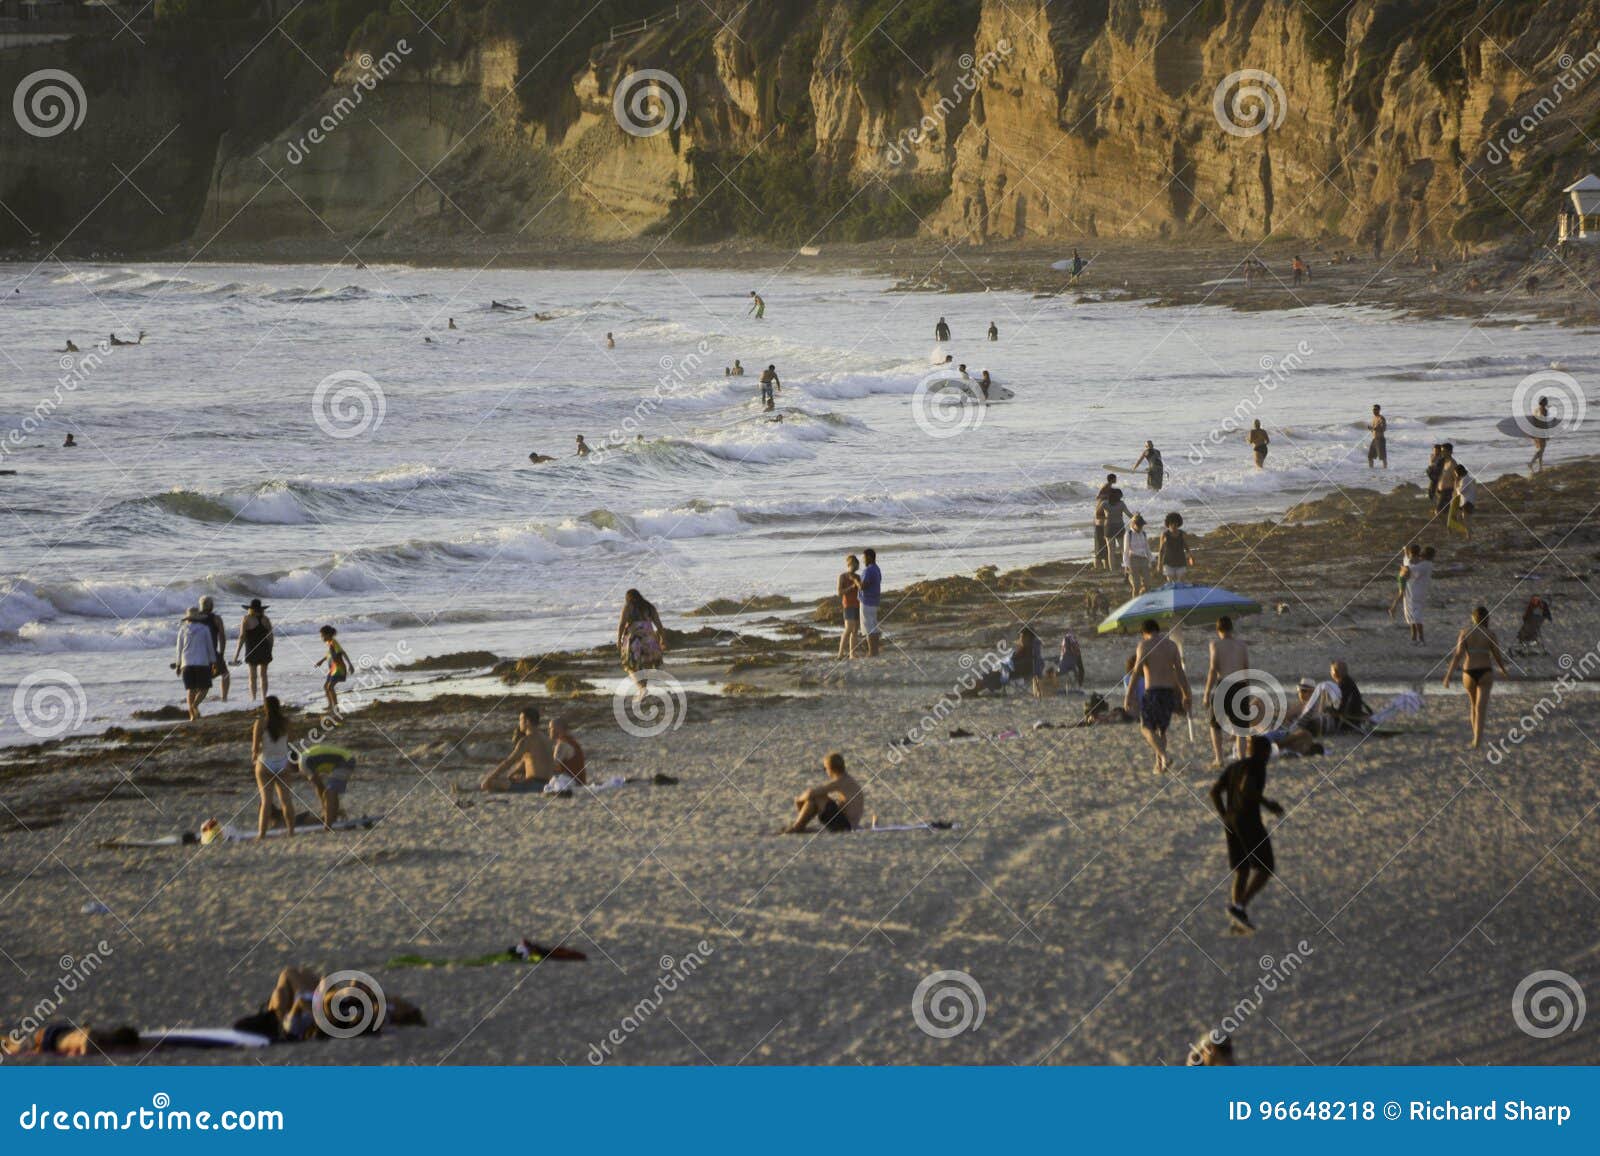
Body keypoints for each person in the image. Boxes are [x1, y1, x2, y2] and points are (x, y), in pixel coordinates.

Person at [1210, 736, 1283, 932]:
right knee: (1266, 867)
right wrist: (1269, 804)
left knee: (1242, 870)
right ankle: (1239, 907)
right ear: (1263, 752)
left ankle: (1237, 921)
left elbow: (1214, 792)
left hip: (1231, 822)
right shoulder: (1257, 766)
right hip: (1248, 821)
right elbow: (1247, 788)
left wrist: (1225, 815)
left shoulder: (1235, 766)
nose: (1268, 757)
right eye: (1268, 752)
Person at [1124, 619, 1191, 775]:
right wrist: (1186, 693)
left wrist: (1129, 695)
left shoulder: (1145, 645)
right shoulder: (1171, 646)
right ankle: (1159, 766)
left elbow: (1135, 672)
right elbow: (1180, 672)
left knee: (1146, 728)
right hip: (1168, 693)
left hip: (1153, 692)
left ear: (1144, 633)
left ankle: (1164, 757)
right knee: (1161, 731)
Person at [1443, 606, 1509, 749]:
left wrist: (1448, 676)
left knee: (1473, 706)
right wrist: (1503, 669)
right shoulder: (1490, 634)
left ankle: (1475, 737)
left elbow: (1458, 655)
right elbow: (1497, 655)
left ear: (1473, 618)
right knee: (1481, 708)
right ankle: (1477, 740)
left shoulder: (1464, 633)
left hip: (1468, 672)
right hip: (1485, 671)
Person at [1204, 616, 1250, 767]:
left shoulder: (1215, 645)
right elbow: (1246, 669)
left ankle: (1219, 758)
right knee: (1241, 728)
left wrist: (1206, 693)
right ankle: (1241, 759)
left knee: (1215, 725)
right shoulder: (1242, 645)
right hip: (1240, 685)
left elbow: (1212, 669)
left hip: (1223, 684)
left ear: (1218, 630)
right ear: (1232, 629)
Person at [480, 706, 560, 791]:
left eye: (521, 720)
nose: (520, 723)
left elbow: (509, 762)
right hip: (548, 783)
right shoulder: (546, 739)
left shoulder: (527, 740)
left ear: (527, 721)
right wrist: (511, 776)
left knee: (493, 783)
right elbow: (531, 763)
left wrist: (490, 778)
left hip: (534, 785)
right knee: (511, 780)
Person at [785, 751, 864, 833]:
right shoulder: (848, 780)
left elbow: (811, 793)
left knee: (818, 797)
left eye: (825, 768)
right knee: (817, 799)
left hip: (846, 826)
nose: (826, 771)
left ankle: (797, 826)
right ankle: (799, 826)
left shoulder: (840, 781)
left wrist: (798, 800)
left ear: (831, 769)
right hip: (850, 824)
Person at [252, 696, 296, 839]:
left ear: (265, 708)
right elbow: (289, 741)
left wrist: (255, 756)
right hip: (283, 763)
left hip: (265, 763)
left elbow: (254, 749)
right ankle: (291, 832)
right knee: (286, 800)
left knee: (266, 801)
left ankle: (261, 834)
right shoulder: (286, 722)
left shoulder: (260, 723)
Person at [618, 588, 667, 693]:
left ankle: (642, 688)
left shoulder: (628, 607)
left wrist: (619, 640)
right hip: (649, 639)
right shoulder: (649, 607)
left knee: (631, 666)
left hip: (634, 639)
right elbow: (659, 625)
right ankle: (643, 688)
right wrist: (662, 639)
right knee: (647, 664)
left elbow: (622, 624)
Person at [299, 742, 354, 826]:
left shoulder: (303, 764)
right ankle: (333, 816)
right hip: (346, 759)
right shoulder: (305, 756)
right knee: (330, 792)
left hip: (344, 761)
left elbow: (318, 786)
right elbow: (320, 787)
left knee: (330, 792)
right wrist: (327, 807)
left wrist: (325, 808)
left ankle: (328, 824)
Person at [175, 606, 215, 721]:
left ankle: (191, 714)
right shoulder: (204, 629)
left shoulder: (182, 630)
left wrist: (178, 664)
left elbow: (179, 648)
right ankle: (195, 705)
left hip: (186, 663)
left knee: (190, 689)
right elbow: (210, 646)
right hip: (202, 662)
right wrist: (213, 661)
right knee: (205, 687)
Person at [233, 598, 273, 701]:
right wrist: (270, 650)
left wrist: (236, 655)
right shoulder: (266, 619)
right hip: (264, 649)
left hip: (252, 649)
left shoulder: (246, 619)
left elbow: (242, 637)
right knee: (264, 675)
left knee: (252, 676)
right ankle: (264, 698)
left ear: (250, 609)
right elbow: (271, 637)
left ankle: (253, 699)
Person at [196, 595, 230, 703]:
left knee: (201, 677)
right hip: (212, 652)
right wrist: (222, 653)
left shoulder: (195, 619)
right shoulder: (216, 618)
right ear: (211, 606)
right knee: (225, 673)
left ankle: (196, 698)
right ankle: (224, 698)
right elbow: (222, 636)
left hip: (198, 653)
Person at [315, 625, 352, 713]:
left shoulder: (334, 643)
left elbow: (343, 652)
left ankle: (335, 708)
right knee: (326, 687)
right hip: (333, 669)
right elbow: (329, 654)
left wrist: (350, 664)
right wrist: (321, 661)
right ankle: (330, 705)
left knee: (330, 687)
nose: (321, 638)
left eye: (322, 635)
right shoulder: (329, 643)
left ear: (327, 635)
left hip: (339, 668)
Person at [1400, 545, 1432, 644]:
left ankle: (1421, 639)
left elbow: (1409, 568)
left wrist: (1403, 568)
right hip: (1412, 592)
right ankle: (1414, 637)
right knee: (1411, 616)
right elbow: (1408, 563)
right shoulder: (1422, 563)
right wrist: (1406, 552)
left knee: (1417, 617)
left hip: (1418, 593)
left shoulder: (1425, 565)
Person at [837, 553, 863, 660]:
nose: (856, 567)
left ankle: (852, 653)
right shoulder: (842, 576)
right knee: (848, 628)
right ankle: (840, 653)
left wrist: (856, 582)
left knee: (855, 630)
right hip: (848, 605)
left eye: (857, 565)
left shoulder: (858, 577)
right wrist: (851, 587)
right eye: (855, 565)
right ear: (850, 564)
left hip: (858, 604)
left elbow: (861, 588)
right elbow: (839, 592)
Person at [1099, 487, 1131, 571]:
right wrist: (1136, 517)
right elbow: (1129, 514)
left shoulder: (1104, 503)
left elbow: (1098, 514)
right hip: (1119, 527)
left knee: (1111, 550)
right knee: (1122, 549)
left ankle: (1112, 569)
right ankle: (1126, 567)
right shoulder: (1121, 504)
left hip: (1109, 527)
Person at [859, 548, 883, 656]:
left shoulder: (868, 570)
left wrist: (854, 580)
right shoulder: (877, 569)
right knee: (873, 625)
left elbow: (863, 586)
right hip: (874, 600)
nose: (863, 560)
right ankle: (875, 651)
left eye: (863, 558)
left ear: (868, 557)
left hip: (867, 601)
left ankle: (871, 651)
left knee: (869, 627)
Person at [549, 717, 587, 785]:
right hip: (580, 782)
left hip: (569, 783)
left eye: (550, 728)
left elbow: (554, 766)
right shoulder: (572, 742)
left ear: (557, 729)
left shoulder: (562, 744)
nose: (549, 731)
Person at [1158, 512, 1192, 582]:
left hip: (1181, 562)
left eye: (1176, 524)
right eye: (1172, 524)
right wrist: (1159, 564)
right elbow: (1161, 550)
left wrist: (1190, 557)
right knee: (1171, 583)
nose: (1174, 526)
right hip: (1168, 563)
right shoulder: (1164, 535)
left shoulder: (1182, 534)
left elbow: (1186, 547)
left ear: (1178, 524)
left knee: (1181, 583)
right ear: (1168, 524)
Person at [1123, 513, 1152, 595]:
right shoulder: (1129, 534)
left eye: (1141, 525)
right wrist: (1127, 565)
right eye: (1138, 525)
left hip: (1143, 559)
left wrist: (1150, 560)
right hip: (1133, 560)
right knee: (1136, 586)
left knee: (1148, 584)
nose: (1140, 527)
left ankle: (1145, 601)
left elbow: (1147, 548)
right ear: (1133, 524)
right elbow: (1126, 550)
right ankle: (1135, 602)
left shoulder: (1143, 533)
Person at [1388, 544, 1418, 620]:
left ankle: (1395, 609)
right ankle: (1392, 609)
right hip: (1403, 578)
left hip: (1400, 576)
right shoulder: (1412, 560)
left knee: (1403, 594)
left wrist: (1405, 548)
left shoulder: (1407, 558)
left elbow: (1405, 553)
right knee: (1401, 594)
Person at [1449, 465, 1477, 538]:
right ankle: (1469, 532)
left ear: (1459, 472)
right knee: (1463, 518)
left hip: (1467, 501)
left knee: (1466, 519)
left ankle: (1469, 534)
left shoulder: (1464, 479)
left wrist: (1456, 483)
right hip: (1469, 500)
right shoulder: (1469, 478)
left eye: (1456, 473)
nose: (1456, 475)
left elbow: (1461, 491)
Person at [1529, 394, 1551, 472]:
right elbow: (1545, 423)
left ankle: (1540, 466)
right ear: (1543, 402)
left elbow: (1533, 421)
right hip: (1541, 431)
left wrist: (1531, 432)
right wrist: (1547, 433)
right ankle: (1531, 463)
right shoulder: (1544, 410)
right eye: (1546, 401)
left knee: (1540, 449)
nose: (1547, 402)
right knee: (1541, 449)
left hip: (1535, 431)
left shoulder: (1536, 410)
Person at [1434, 443, 1457, 514]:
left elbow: (1456, 479)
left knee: (1439, 512)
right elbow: (1442, 477)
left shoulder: (1452, 464)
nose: (1442, 453)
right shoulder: (1444, 462)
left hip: (1448, 491)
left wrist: (1455, 493)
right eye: (1441, 451)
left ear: (1450, 452)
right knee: (1443, 513)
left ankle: (1447, 525)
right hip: (1442, 491)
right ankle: (1447, 525)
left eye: (1444, 451)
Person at [1367, 404, 1387, 468]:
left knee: (1383, 457)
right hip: (1374, 440)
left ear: (1379, 410)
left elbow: (1383, 428)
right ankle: (1371, 470)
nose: (1374, 411)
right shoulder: (1374, 418)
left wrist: (1377, 428)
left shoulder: (1381, 418)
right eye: (1373, 409)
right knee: (1370, 457)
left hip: (1380, 440)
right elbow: (1373, 430)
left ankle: (1385, 470)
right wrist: (1371, 428)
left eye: (1375, 409)